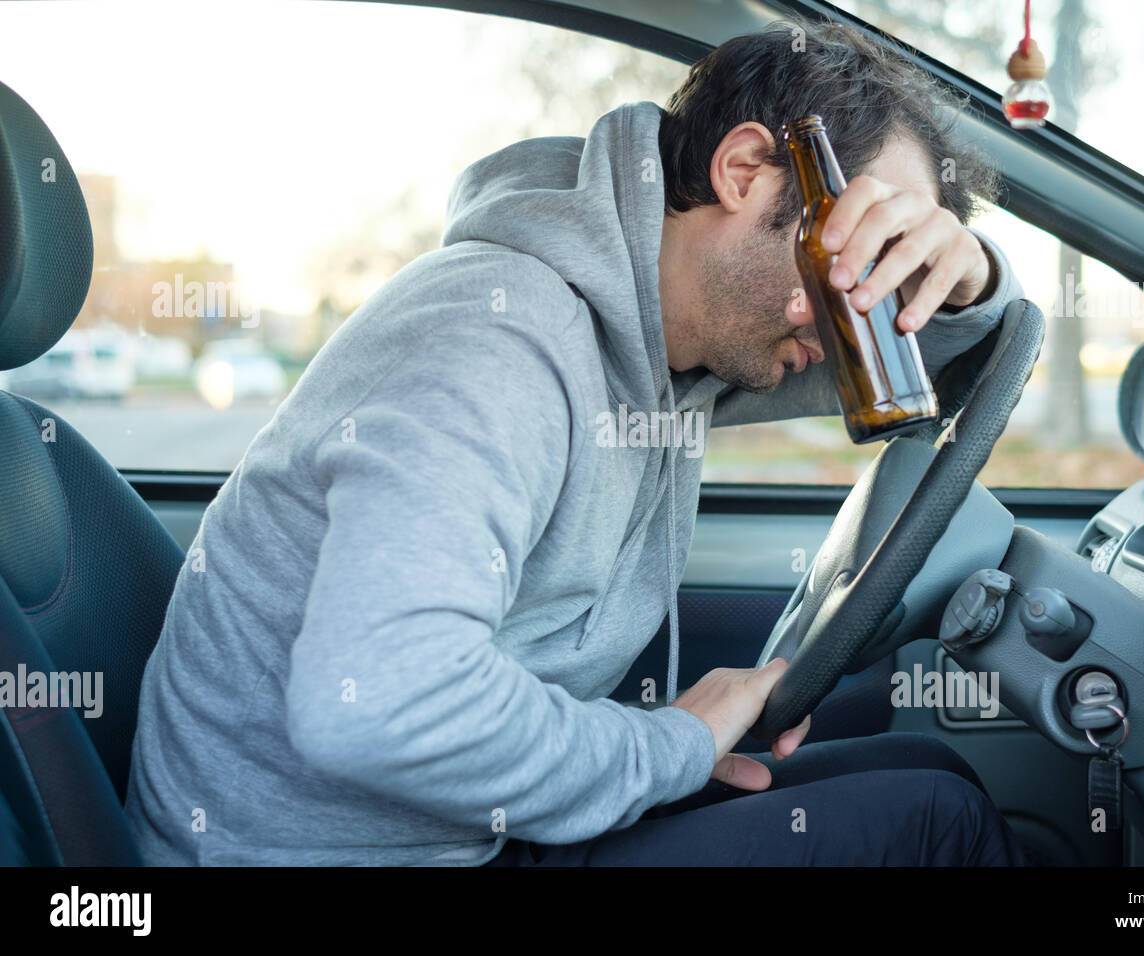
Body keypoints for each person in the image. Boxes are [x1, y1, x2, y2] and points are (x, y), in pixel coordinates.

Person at [125, 18, 1025, 866]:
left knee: (933, 773)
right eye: (861, 251)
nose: (862, 312)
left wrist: (968, 267)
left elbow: (953, 360)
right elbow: (378, 704)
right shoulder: (497, 342)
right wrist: (667, 745)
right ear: (747, 172)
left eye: (893, 261)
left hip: (458, 834)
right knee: (937, 824)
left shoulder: (678, 348)